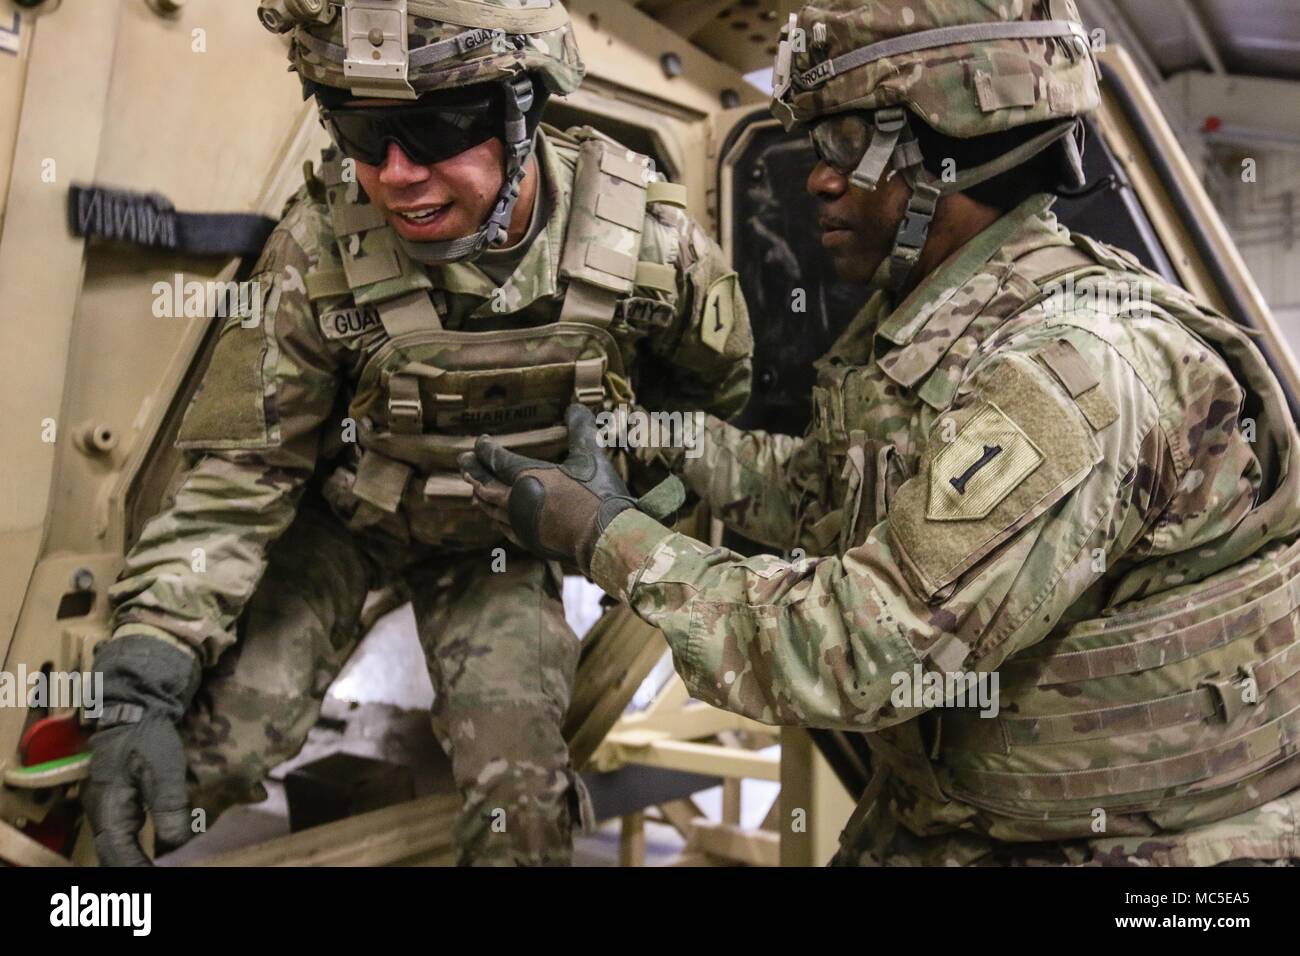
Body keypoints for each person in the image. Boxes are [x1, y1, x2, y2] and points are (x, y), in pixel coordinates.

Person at [464, 0, 1300, 866]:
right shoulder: (930, 320)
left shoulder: (1074, 369)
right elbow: (826, 494)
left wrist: (602, 535)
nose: (818, 179)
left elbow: (856, 648)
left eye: (846, 141)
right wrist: (654, 434)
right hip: (955, 818)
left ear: (956, 145)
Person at [84, 0, 753, 867]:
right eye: (362, 134)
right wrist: (149, 660)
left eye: (434, 128)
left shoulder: (651, 247)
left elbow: (713, 408)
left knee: (524, 801)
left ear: (522, 111)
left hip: (498, 543)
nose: (395, 173)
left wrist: (628, 510)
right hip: (344, 526)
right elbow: (244, 473)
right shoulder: (319, 246)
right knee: (204, 755)